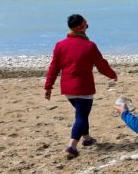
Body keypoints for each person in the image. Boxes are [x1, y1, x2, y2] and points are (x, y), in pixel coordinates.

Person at [44, 14, 117, 159]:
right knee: (81, 116)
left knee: (81, 113)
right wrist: (112, 74)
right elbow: (101, 64)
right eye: (86, 24)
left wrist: (48, 86)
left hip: (67, 88)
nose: (87, 27)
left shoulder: (60, 45)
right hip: (84, 86)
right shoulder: (89, 45)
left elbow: (54, 67)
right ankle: (72, 146)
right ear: (81, 27)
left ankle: (87, 138)